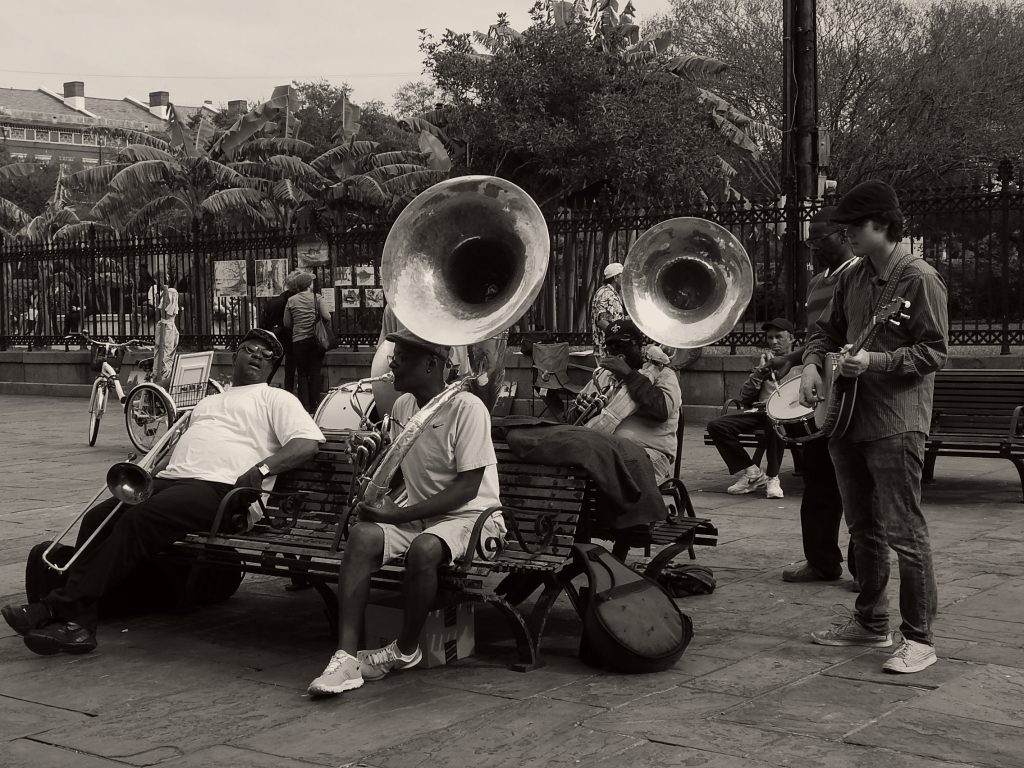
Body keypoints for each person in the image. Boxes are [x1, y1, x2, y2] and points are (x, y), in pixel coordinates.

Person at [0, 329, 325, 655]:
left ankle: (53, 608)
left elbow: (306, 443)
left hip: (225, 491)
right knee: (99, 517)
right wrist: (151, 469)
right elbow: (180, 446)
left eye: (267, 355)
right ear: (236, 354)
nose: (257, 356)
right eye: (250, 349)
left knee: (140, 518)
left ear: (273, 368)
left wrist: (262, 470)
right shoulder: (209, 401)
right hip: (173, 482)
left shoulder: (277, 398)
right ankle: (79, 626)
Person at [800, 180, 947, 674]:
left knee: (905, 532)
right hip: (847, 417)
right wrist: (810, 365)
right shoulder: (854, 275)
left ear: (882, 225)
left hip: (896, 422)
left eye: (853, 225)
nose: (844, 232)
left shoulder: (919, 279)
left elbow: (934, 351)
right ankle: (870, 621)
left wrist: (878, 361)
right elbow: (826, 331)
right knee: (863, 529)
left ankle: (920, 638)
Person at [308, 328, 504, 696]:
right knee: (363, 536)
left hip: (473, 520)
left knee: (424, 549)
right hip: (421, 518)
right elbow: (398, 469)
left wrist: (395, 516)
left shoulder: (468, 408)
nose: (392, 362)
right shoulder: (402, 406)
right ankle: (345, 658)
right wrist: (367, 453)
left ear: (432, 364)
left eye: (402, 357)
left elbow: (468, 489)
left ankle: (406, 649)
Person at [769, 208, 861, 583]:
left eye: (818, 241)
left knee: (856, 483)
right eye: (810, 242)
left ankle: (863, 570)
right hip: (819, 393)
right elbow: (819, 338)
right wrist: (793, 358)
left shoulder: (858, 275)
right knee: (819, 479)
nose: (813, 250)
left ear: (841, 235)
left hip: (851, 393)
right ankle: (822, 562)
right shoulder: (816, 281)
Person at [567, 318, 680, 485]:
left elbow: (661, 411)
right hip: (605, 451)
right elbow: (571, 419)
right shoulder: (603, 375)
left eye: (623, 345)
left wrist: (629, 375)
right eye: (611, 347)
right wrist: (579, 411)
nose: (617, 351)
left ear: (638, 345)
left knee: (609, 470)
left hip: (650, 455)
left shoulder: (663, 375)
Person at [707, 318, 795, 498]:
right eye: (770, 338)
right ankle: (752, 471)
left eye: (778, 337)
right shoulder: (765, 364)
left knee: (774, 419)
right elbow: (745, 397)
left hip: (788, 415)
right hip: (760, 412)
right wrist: (759, 373)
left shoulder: (800, 364)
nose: (773, 342)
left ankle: (772, 477)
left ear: (791, 338)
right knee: (716, 425)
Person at [283, 270, 332, 413]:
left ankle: (304, 405)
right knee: (315, 372)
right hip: (316, 342)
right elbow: (327, 316)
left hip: (298, 341)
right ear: (309, 285)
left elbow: (286, 323)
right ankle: (315, 404)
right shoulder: (317, 298)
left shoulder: (291, 301)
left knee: (302, 373)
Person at [261, 284, 299, 392]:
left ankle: (264, 386)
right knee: (290, 368)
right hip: (291, 338)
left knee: (272, 366)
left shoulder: (273, 302)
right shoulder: (294, 302)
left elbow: (263, 322)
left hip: (275, 338)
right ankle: (288, 391)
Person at [591, 263, 625, 357]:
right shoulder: (605, 293)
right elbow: (602, 321)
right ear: (615, 277)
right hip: (606, 349)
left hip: (612, 348)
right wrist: (617, 337)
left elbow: (613, 318)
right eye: (623, 276)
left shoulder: (612, 293)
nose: (624, 279)